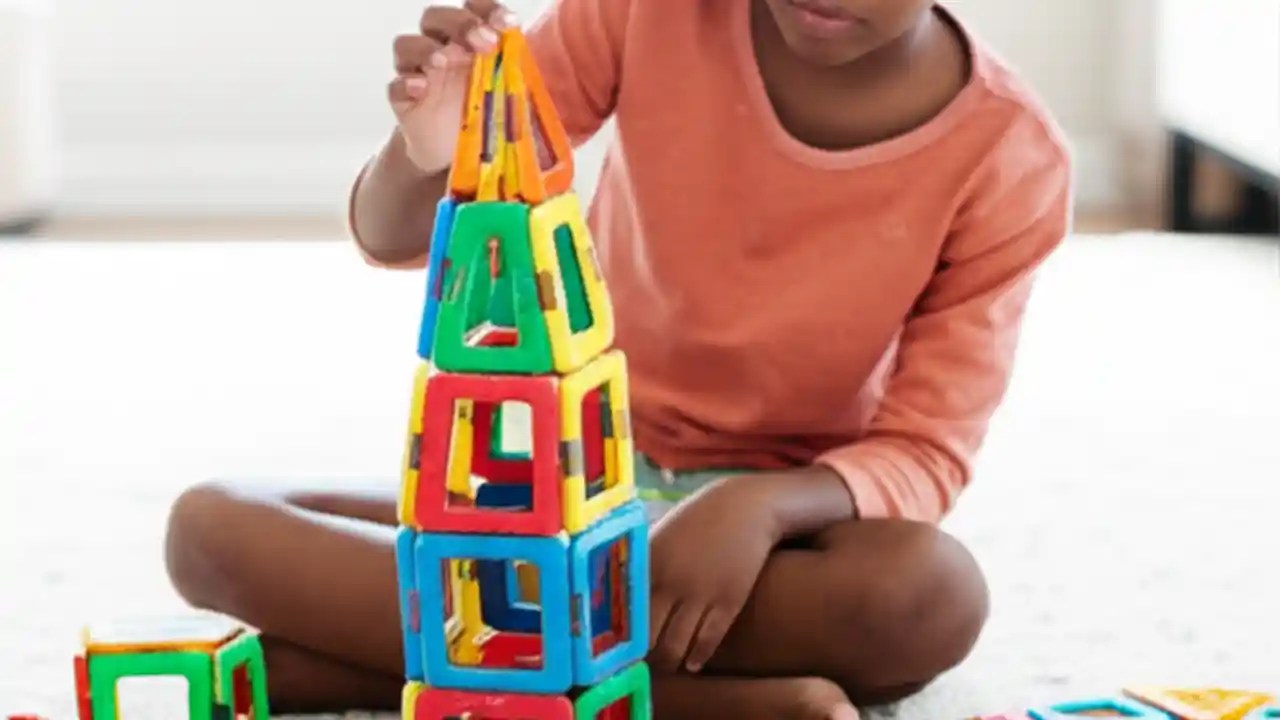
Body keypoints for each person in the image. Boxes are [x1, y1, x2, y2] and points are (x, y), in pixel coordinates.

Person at [164, 0, 1072, 718]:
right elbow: (395, 232)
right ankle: (693, 704)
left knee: (930, 596)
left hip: (774, 543)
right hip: (562, 483)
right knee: (211, 527)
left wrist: (757, 508)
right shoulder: (642, 10)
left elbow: (925, 452)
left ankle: (371, 672)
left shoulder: (1008, 155)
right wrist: (427, 153)